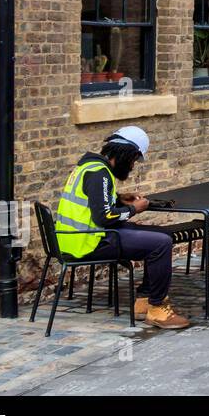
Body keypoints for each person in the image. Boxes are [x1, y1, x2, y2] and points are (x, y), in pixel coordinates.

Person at [53, 126, 190, 329]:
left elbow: (95, 203)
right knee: (161, 244)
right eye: (134, 160)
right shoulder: (100, 174)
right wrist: (135, 208)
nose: (133, 166)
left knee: (161, 234)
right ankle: (157, 309)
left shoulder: (88, 167)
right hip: (88, 243)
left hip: (74, 238)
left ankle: (143, 299)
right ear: (126, 155)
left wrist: (119, 198)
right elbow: (104, 217)